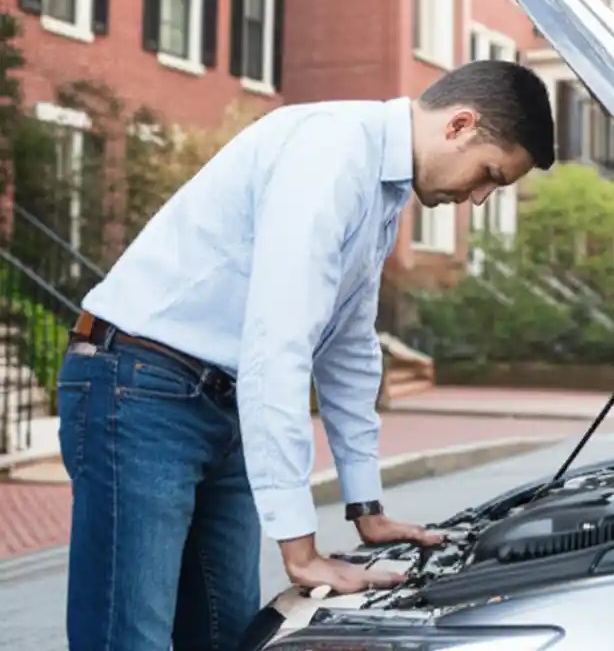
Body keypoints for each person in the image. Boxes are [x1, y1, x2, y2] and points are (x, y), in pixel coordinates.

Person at [55, 60, 556, 650]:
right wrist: (303, 553)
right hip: (138, 388)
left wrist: (365, 506)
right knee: (128, 639)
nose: (477, 198)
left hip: (219, 401)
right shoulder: (333, 153)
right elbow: (279, 342)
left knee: (227, 636)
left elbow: (348, 350)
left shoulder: (385, 189)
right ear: (459, 125)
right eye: (488, 175)